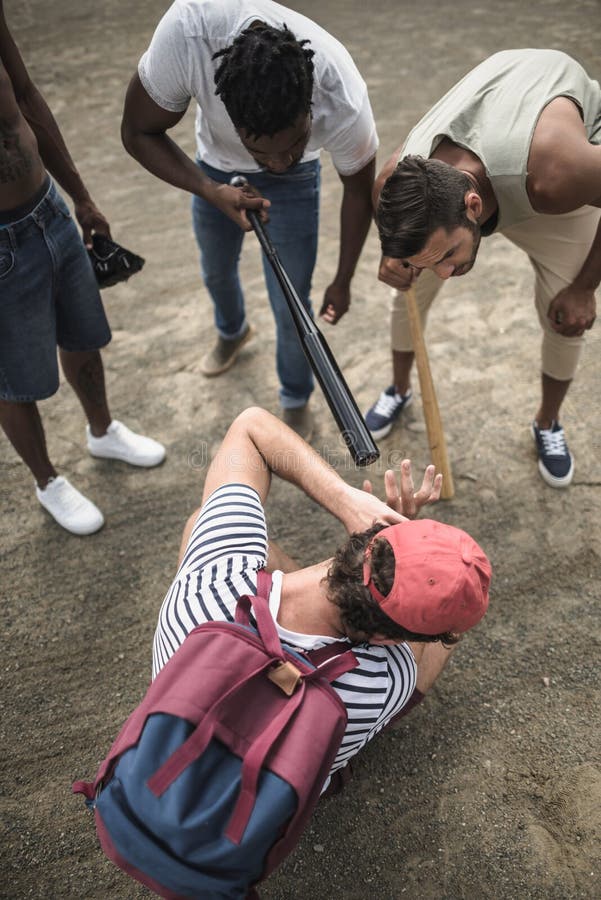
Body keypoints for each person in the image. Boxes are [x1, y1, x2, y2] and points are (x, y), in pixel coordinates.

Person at [153, 406, 491, 792]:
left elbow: (251, 426)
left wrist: (350, 505)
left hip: (163, 754)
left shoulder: (216, 568)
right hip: (259, 799)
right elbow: (406, 632)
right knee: (444, 636)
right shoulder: (384, 683)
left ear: (362, 541)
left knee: (203, 521)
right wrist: (423, 588)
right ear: (385, 642)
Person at [121, 0, 378, 441]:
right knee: (216, 270)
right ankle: (232, 330)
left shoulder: (342, 95)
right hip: (214, 170)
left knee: (291, 303)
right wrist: (207, 188)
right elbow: (136, 131)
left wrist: (344, 279)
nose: (278, 163)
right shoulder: (189, 31)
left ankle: (295, 399)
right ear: (228, 112)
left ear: (309, 105)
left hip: (299, 189)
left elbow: (358, 191)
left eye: (296, 142)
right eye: (262, 151)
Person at [365, 49, 600, 488]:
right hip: (495, 151)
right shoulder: (393, 185)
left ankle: (547, 424)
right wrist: (397, 259)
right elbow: (407, 239)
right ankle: (398, 389)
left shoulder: (557, 174)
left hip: (546, 177)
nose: (445, 274)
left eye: (447, 257)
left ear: (474, 206)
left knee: (566, 314)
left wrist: (586, 287)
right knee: (409, 289)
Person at [0, 0, 165, 536]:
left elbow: (25, 96)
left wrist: (80, 195)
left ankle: (102, 430)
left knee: (82, 334)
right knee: (13, 379)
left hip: (47, 208)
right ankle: (47, 481)